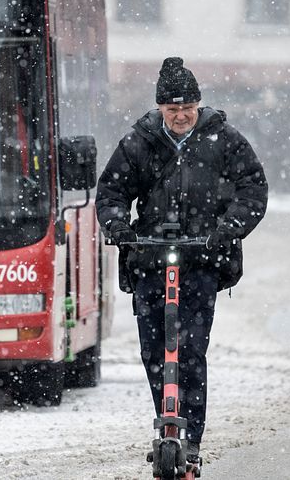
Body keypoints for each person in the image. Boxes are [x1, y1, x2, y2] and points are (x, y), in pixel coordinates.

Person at [96, 57, 268, 467]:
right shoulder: (139, 141)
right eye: (172, 109)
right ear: (160, 108)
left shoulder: (223, 139)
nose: (180, 116)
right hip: (150, 258)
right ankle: (167, 422)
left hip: (201, 260)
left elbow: (253, 189)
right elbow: (111, 193)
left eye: (187, 108)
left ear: (198, 104)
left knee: (190, 350)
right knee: (154, 350)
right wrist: (119, 226)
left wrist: (228, 228)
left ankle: (190, 436)